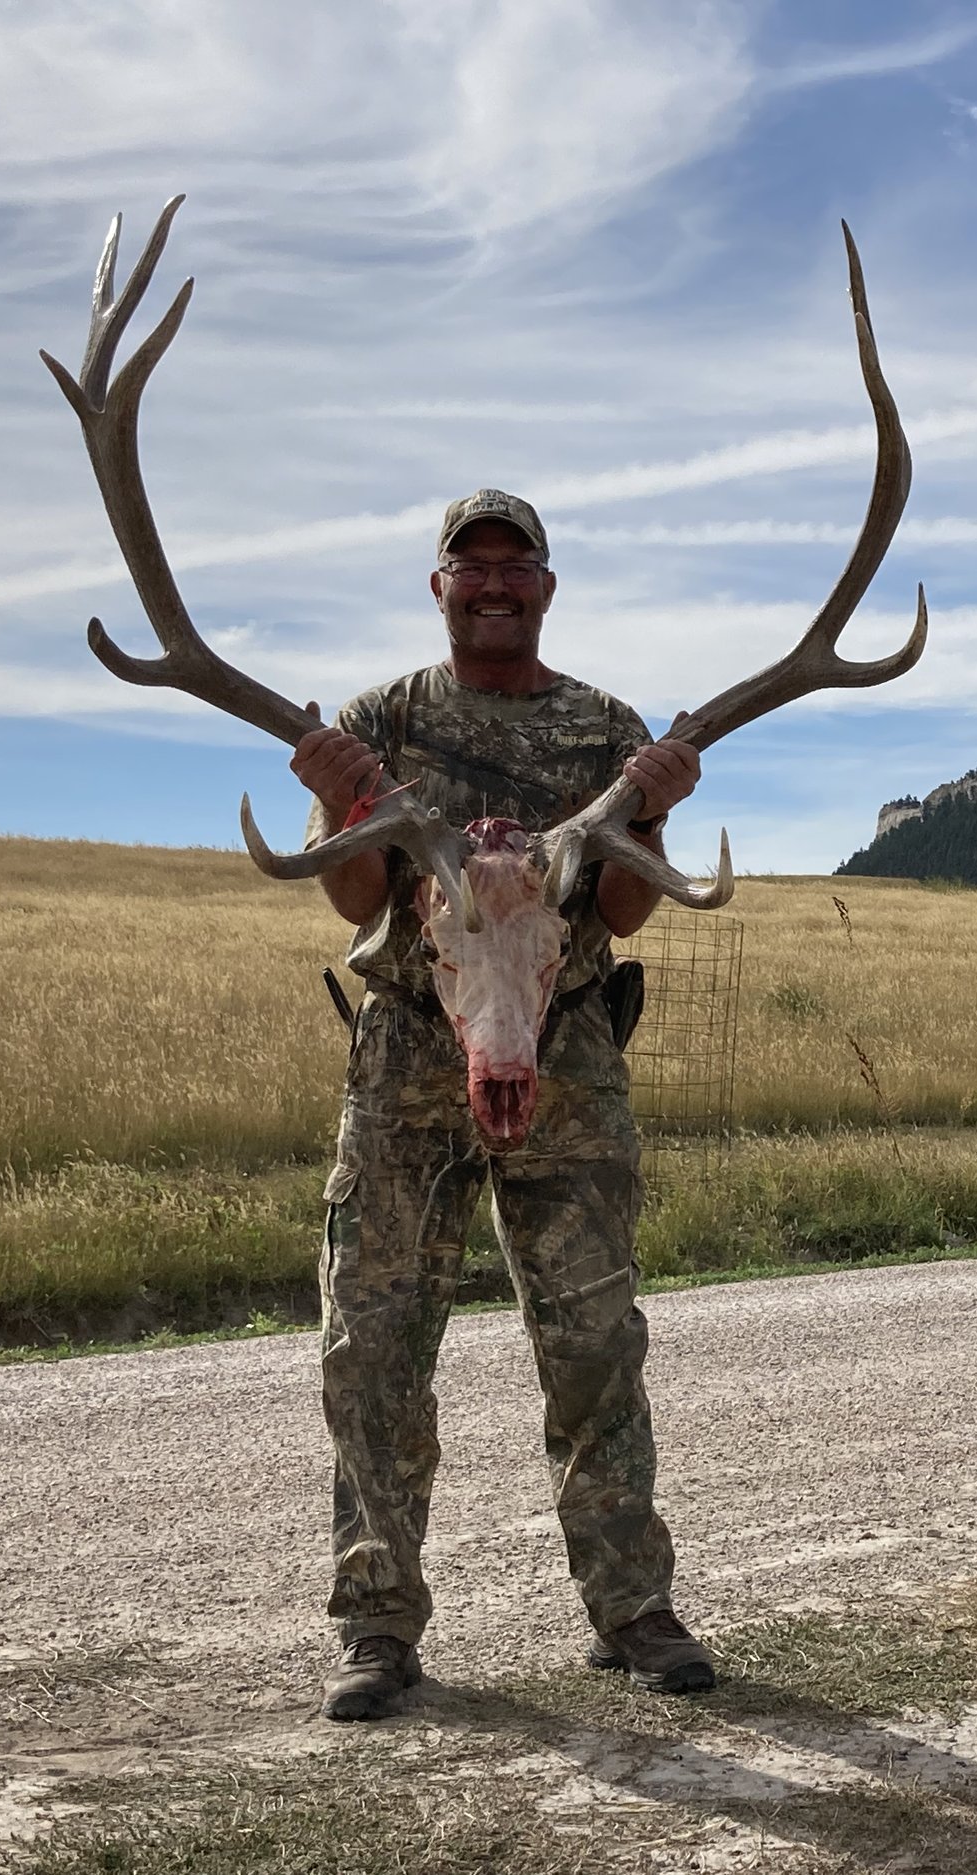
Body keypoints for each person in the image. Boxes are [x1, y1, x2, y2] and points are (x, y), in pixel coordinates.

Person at [289, 488, 714, 1720]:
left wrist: (653, 807)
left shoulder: (604, 730)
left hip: (566, 1056)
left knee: (592, 1344)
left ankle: (632, 1606)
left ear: (544, 583)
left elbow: (623, 915)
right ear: (438, 587)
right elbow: (359, 901)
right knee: (372, 1346)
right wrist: (336, 800)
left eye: (511, 564)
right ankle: (376, 1624)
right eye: (467, 566)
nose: (490, 583)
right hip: (412, 1062)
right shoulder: (381, 723)